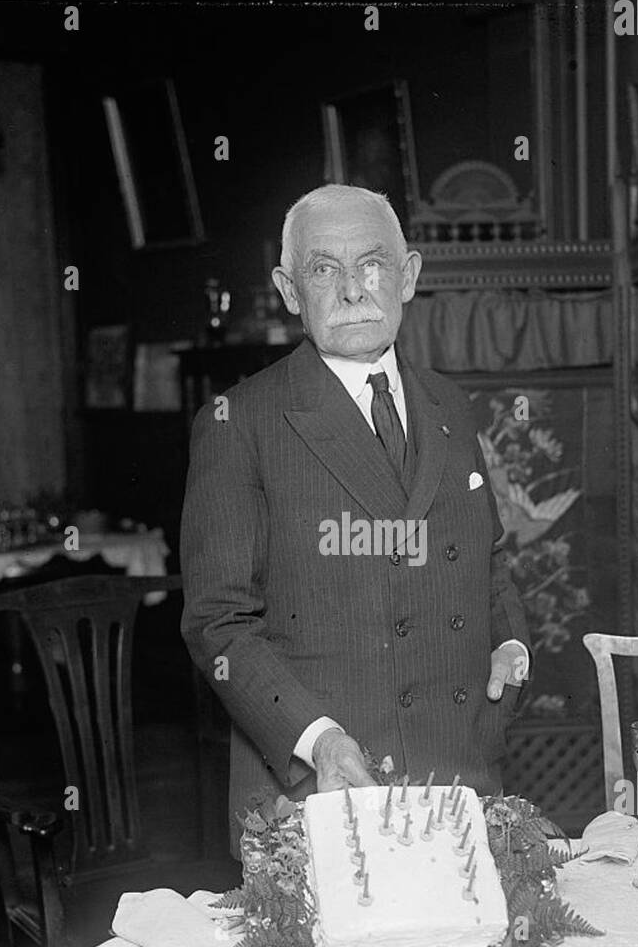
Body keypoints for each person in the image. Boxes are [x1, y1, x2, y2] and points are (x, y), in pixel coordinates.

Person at [181, 184, 531, 852]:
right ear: (290, 292)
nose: (351, 290)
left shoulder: (450, 405)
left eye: (371, 264)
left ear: (408, 277)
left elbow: (490, 560)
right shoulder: (240, 423)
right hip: (319, 800)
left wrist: (511, 646)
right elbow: (217, 622)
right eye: (323, 269)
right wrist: (318, 740)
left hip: (458, 787)